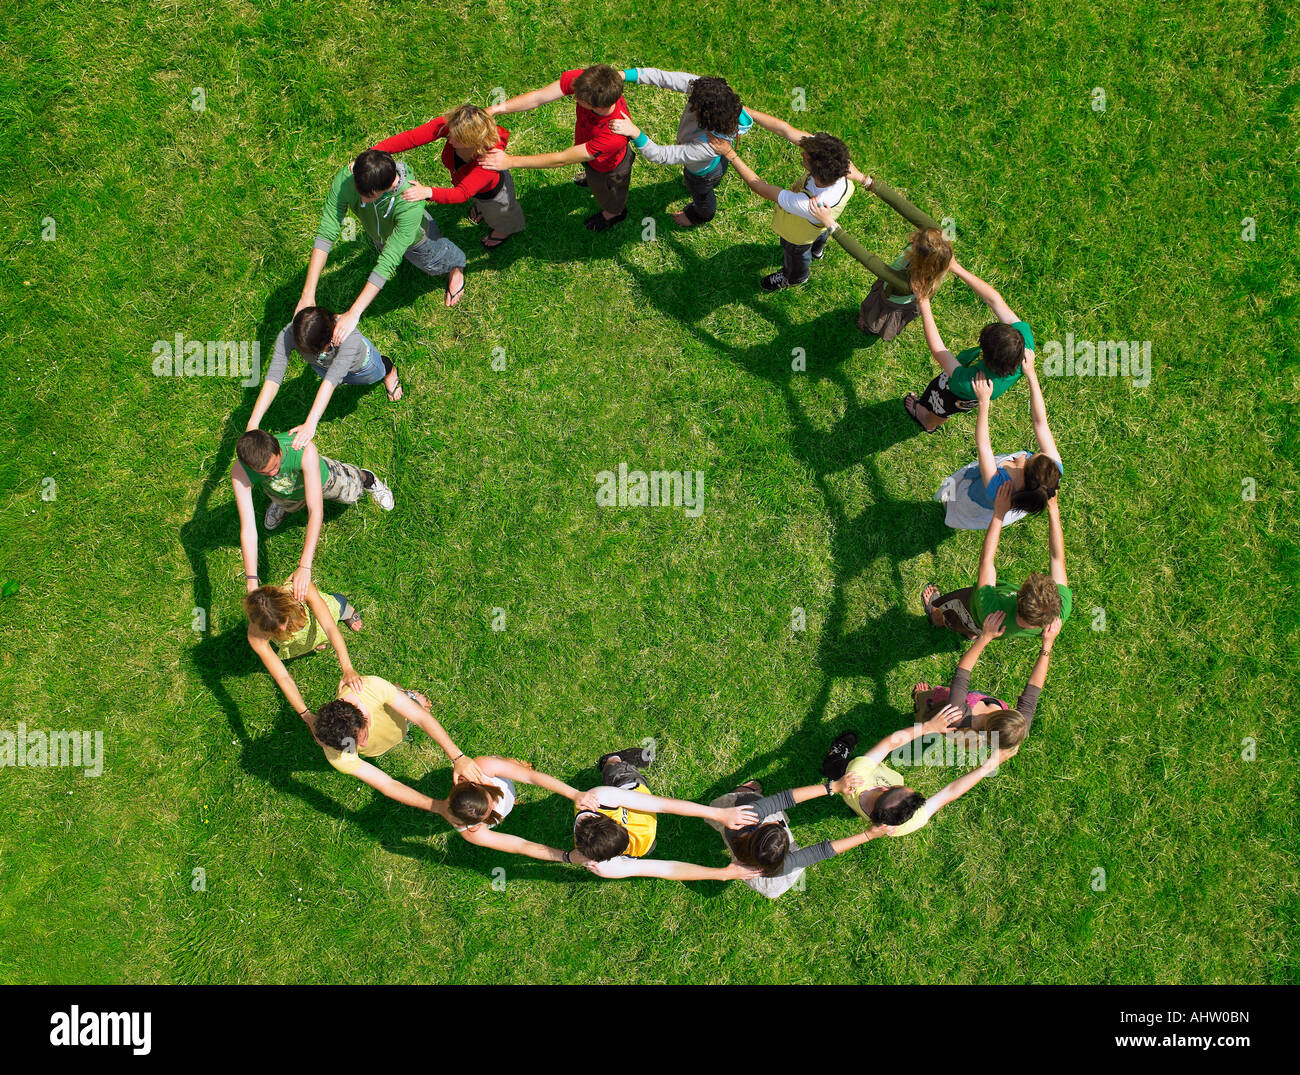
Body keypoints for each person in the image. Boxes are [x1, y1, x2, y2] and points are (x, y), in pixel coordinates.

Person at [301, 149, 467, 349]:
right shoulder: (350, 176)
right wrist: (307, 295)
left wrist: (354, 313)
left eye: (366, 197)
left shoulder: (410, 204)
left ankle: (456, 265)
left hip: (417, 240)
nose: (360, 201)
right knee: (387, 248)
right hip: (382, 235)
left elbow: (388, 260)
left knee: (434, 262)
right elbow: (327, 231)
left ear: (386, 188)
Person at [231, 429, 394, 603]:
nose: (272, 474)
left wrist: (305, 565)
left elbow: (315, 510)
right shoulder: (240, 473)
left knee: (351, 490)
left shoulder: (303, 450)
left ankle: (368, 479)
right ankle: (284, 504)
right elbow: (248, 529)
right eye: (264, 473)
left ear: (278, 449)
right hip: (284, 492)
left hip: (322, 479)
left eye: (275, 467)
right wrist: (251, 581)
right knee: (284, 497)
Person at [708, 115, 862, 291]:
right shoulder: (839, 163)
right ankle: (817, 251)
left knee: (796, 254)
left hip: (797, 235)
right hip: (821, 221)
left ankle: (796, 277)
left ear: (817, 171)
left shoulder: (808, 204)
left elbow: (760, 187)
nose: (802, 152)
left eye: (806, 156)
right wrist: (743, 111)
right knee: (820, 232)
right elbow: (785, 129)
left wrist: (729, 153)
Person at [574, 747, 762, 882]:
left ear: (606, 818)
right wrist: (723, 873)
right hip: (644, 846)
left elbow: (663, 805)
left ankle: (613, 760)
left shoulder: (600, 798)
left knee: (620, 773)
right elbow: (665, 869)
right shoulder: (605, 867)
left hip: (632, 791)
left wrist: (719, 814)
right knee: (648, 848)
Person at [483, 65, 633, 232]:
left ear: (597, 107)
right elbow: (538, 97)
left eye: (579, 99)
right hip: (589, 152)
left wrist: (510, 161)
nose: (574, 97)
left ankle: (614, 213)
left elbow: (563, 159)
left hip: (608, 167)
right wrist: (494, 110)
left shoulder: (613, 136)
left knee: (610, 194)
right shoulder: (590, 82)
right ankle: (591, 179)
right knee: (590, 172)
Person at [700, 774, 891, 898]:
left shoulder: (738, 819)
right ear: (781, 858)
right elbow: (822, 851)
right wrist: (868, 834)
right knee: (775, 888)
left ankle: (742, 791)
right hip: (758, 873)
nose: (777, 822)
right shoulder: (781, 868)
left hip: (738, 840)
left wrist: (833, 787)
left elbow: (785, 799)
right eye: (778, 825)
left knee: (741, 800)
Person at [922, 482, 1071, 640]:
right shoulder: (1058, 615)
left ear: (1018, 596)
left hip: (969, 608)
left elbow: (986, 561)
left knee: (951, 613)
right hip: (987, 627)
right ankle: (972, 633)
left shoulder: (991, 611)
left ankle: (935, 617)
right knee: (976, 629)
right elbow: (1057, 559)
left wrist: (999, 513)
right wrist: (1053, 509)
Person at [309, 679, 485, 812]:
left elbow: (421, 718)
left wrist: (458, 757)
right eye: (355, 746)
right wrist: (438, 807)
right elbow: (388, 785)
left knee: (414, 707)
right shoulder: (339, 756)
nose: (363, 744)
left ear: (364, 716)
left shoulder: (370, 688)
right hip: (390, 737)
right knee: (399, 726)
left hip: (398, 718)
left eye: (363, 735)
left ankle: (406, 695)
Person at [609, 69, 753, 227]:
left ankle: (699, 216)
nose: (690, 97)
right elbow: (665, 78)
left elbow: (660, 155)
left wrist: (634, 132)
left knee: (702, 194)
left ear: (705, 115)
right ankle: (716, 178)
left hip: (701, 174)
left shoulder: (707, 145)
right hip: (717, 159)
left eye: (693, 102)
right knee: (718, 168)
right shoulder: (711, 95)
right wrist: (623, 75)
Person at [246, 307, 401, 453]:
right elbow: (274, 377)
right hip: (326, 368)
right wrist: (253, 423)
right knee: (339, 377)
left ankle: (389, 371)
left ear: (331, 336)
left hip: (363, 366)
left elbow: (330, 381)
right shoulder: (291, 333)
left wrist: (310, 423)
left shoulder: (349, 336)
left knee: (379, 370)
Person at [838, 703, 1010, 835]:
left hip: (849, 781)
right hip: (869, 809)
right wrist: (988, 766)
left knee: (839, 769)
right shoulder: (902, 825)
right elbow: (950, 792)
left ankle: (837, 756)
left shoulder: (855, 776)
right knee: (842, 780)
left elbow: (889, 744)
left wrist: (929, 727)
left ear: (884, 789)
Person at [904, 256, 1033, 432]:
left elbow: (939, 350)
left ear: (986, 355)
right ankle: (931, 417)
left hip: (956, 392)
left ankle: (928, 421)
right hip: (971, 394)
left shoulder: (970, 381)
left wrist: (923, 301)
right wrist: (956, 267)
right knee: (944, 405)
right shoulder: (1025, 344)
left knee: (941, 407)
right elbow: (994, 300)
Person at [934, 355, 1062, 530]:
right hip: (992, 485)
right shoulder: (1052, 472)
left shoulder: (999, 488)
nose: (1041, 450)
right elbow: (1041, 423)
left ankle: (946, 507)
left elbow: (983, 446)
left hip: (975, 500)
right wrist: (1031, 374)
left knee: (953, 499)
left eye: (1035, 454)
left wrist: (984, 401)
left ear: (1026, 469)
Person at [374, 104, 526, 250]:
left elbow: (461, 193)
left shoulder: (488, 162)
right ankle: (480, 207)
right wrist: (374, 152)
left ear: (472, 142)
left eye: (456, 139)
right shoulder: (455, 126)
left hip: (494, 195)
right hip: (471, 187)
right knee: (480, 202)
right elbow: (412, 138)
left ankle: (504, 229)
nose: (449, 139)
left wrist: (428, 192)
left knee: (500, 214)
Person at [911, 611, 1061, 756]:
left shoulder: (957, 715)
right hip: (972, 704)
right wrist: (1047, 644)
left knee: (929, 704)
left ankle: (919, 699)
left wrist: (985, 636)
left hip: (947, 712)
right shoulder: (1017, 728)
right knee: (955, 693)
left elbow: (962, 674)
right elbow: (1033, 692)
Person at [808, 196, 952, 340]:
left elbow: (868, 260)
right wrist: (867, 181)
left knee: (874, 317)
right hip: (893, 287)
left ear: (920, 259)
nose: (912, 238)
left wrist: (830, 223)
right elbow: (907, 209)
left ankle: (869, 326)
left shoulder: (909, 283)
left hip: (891, 302)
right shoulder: (940, 245)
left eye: (914, 243)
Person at [244, 580, 364, 720]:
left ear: (289, 604)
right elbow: (282, 677)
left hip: (326, 617)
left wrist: (348, 668)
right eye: (275, 630)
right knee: (310, 642)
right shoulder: (256, 635)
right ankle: (315, 642)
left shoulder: (300, 590)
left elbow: (331, 629)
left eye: (284, 621)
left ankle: (348, 611)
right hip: (306, 639)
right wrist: (306, 716)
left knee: (340, 605)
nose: (283, 630)